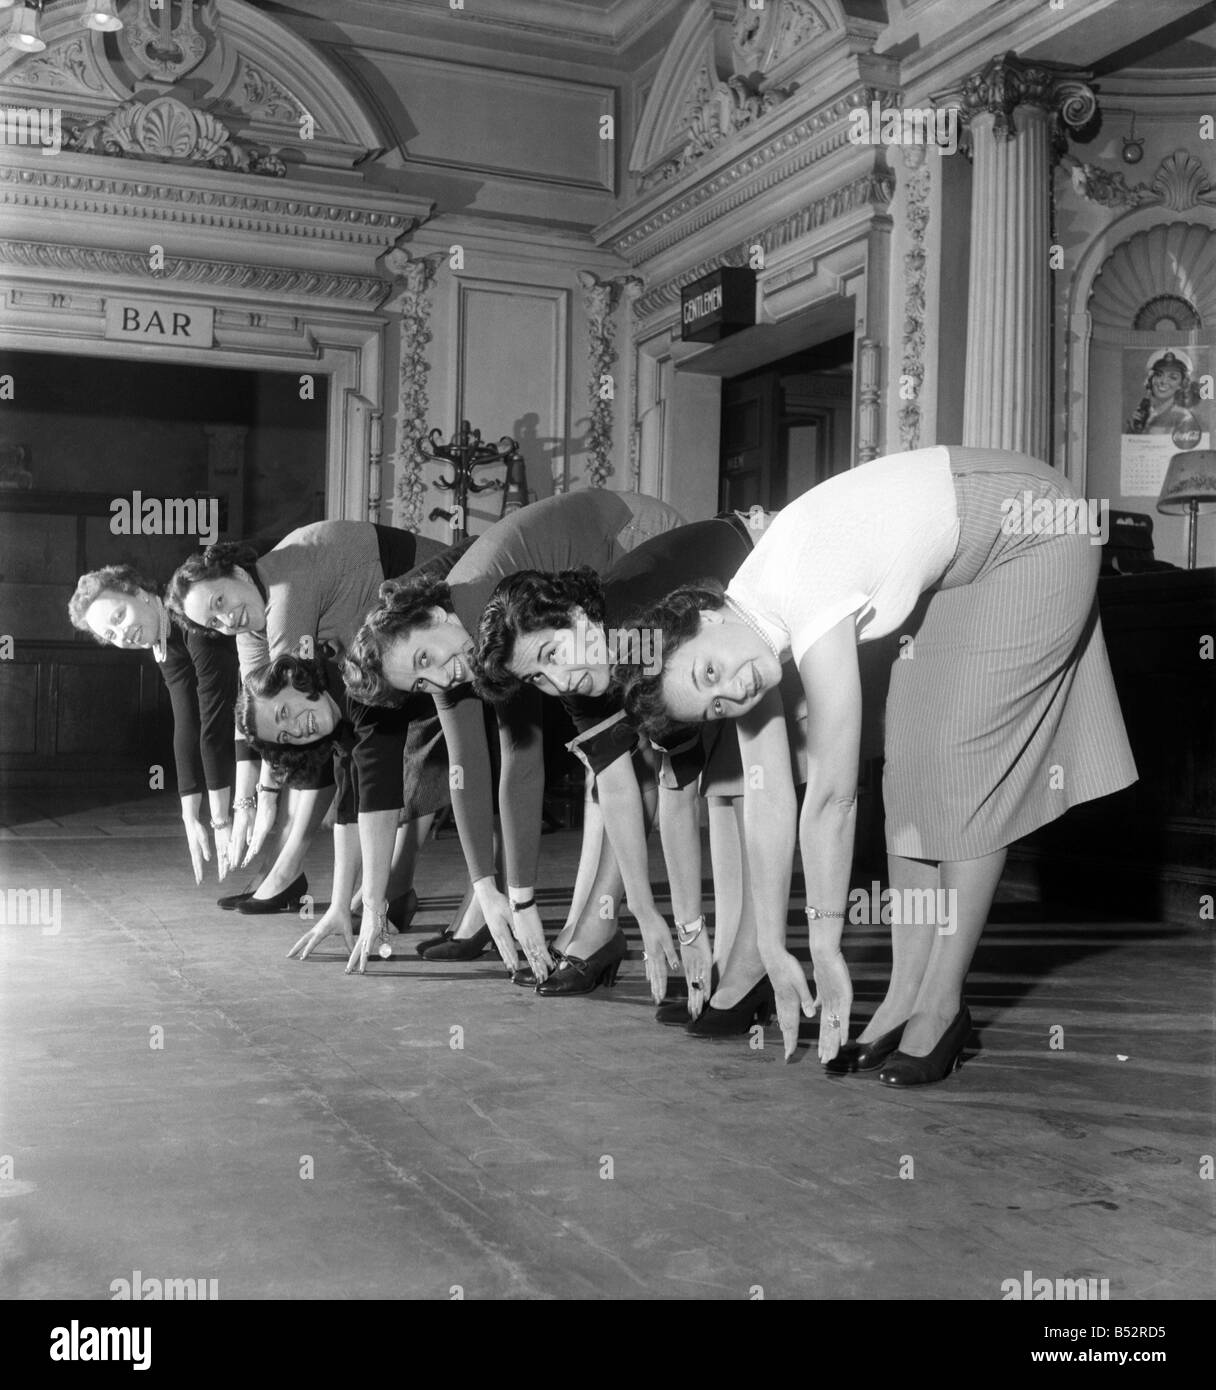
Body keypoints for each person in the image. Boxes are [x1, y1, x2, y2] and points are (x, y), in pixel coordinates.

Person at [618, 446, 1137, 1085]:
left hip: (1037, 528)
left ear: (706, 614)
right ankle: (902, 998)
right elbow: (771, 801)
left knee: (960, 763)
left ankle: (943, 1005)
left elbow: (834, 797)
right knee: (910, 768)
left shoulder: (800, 595)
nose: (733, 691)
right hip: (969, 563)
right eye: (715, 703)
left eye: (709, 671)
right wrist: (774, 946)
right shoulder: (750, 626)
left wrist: (825, 943)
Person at [341, 489, 688, 994]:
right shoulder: (449, 654)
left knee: (629, 746)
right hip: (584, 582)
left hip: (635, 536)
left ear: (434, 616)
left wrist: (522, 900)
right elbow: (465, 771)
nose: (438, 679)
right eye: (420, 683)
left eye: (422, 661)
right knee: (602, 751)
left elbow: (520, 764)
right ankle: (577, 928)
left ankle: (598, 928)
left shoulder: (485, 612)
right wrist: (487, 886)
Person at [472, 508, 805, 1029]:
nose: (558, 682)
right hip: (725, 596)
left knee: (733, 782)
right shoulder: (581, 674)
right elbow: (620, 794)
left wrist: (688, 928)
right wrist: (647, 914)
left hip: (768, 556)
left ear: (579, 615)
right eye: (537, 677)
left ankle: (746, 969)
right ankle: (734, 972)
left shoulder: (641, 644)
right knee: (722, 782)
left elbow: (675, 796)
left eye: (552, 653)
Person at [165, 520, 448, 924]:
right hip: (381, 632)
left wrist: (265, 794)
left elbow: (287, 699)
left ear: (236, 572)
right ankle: (372, 887)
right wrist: (254, 802)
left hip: (434, 585)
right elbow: (253, 713)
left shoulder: (285, 590)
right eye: (213, 623)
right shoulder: (251, 618)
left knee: (351, 731)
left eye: (220, 602)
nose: (226, 621)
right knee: (341, 732)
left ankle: (386, 886)